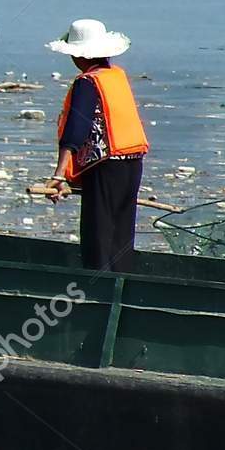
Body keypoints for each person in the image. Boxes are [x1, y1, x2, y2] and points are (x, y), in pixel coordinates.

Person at [43, 18, 149, 273]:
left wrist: (59, 175)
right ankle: (120, 290)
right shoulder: (116, 77)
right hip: (132, 164)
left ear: (79, 55)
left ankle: (98, 293)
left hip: (105, 168)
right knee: (120, 235)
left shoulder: (87, 83)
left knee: (98, 236)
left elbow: (75, 132)